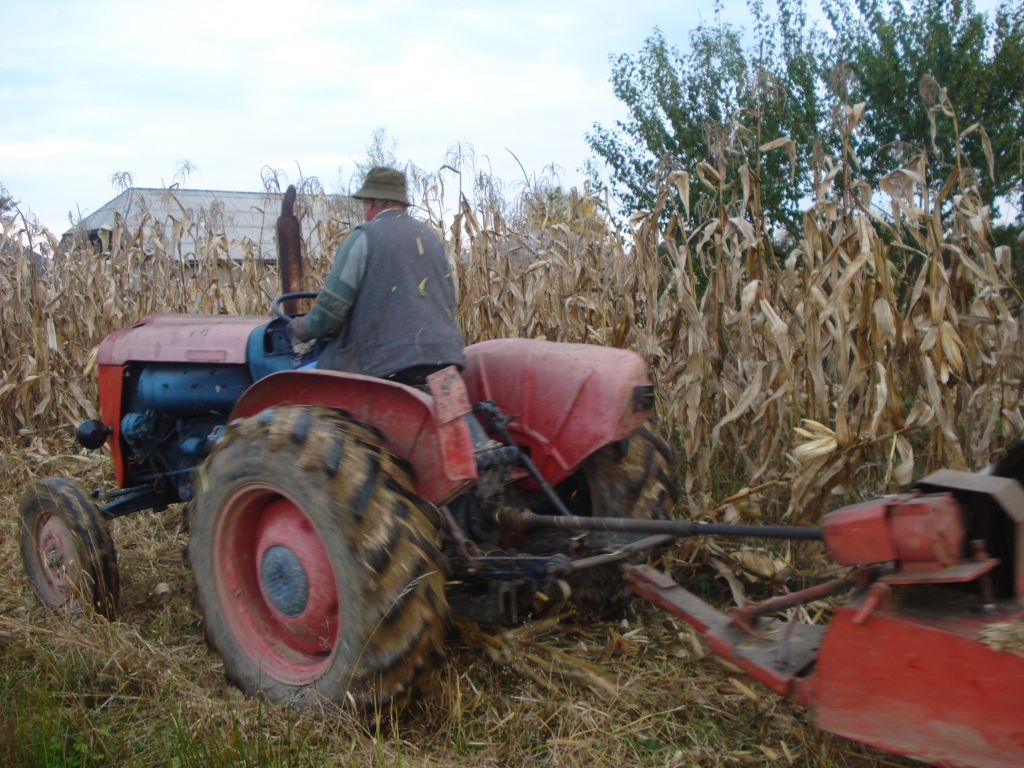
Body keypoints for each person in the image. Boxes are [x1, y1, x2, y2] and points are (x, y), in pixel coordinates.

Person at [288, 166, 465, 385]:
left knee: (306, 388)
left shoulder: (364, 237)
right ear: (400, 203)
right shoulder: (430, 238)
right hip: (445, 363)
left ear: (371, 202)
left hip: (385, 367)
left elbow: (331, 309)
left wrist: (303, 327)